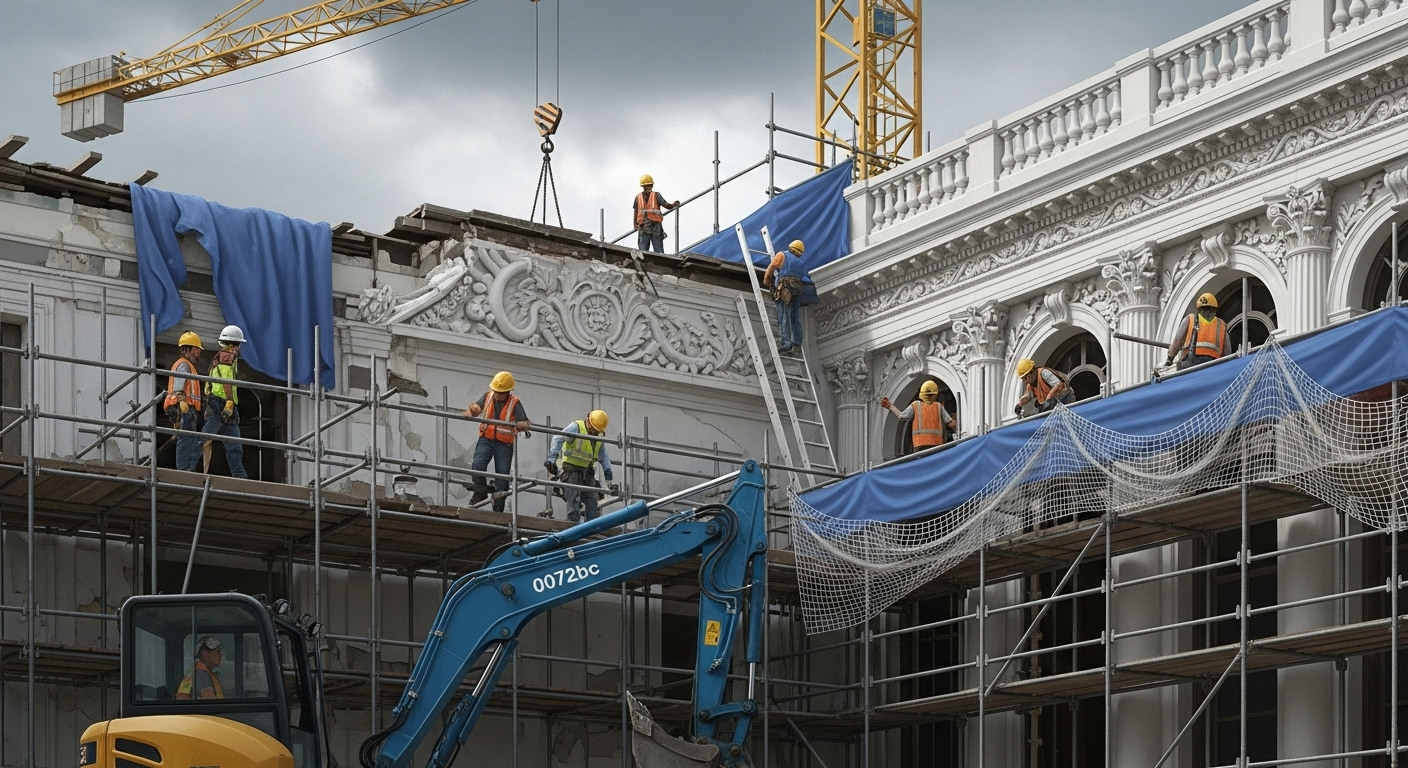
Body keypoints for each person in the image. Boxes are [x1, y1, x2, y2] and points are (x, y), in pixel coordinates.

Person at [463, 371, 530, 512]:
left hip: (504, 444)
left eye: (500, 392)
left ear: (508, 392)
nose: (497, 394)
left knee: (502, 477)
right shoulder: (488, 396)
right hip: (486, 438)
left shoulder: (514, 403)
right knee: (477, 466)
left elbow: (525, 423)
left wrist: (522, 425)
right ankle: (480, 491)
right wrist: (472, 410)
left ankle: (498, 510)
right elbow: (473, 412)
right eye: (496, 391)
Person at [544, 409, 614, 523]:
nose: (595, 433)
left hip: (587, 469)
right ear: (588, 421)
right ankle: (573, 523)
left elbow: (603, 455)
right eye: (594, 429)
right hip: (571, 468)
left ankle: (593, 524)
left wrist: (607, 471)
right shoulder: (576, 427)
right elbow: (558, 438)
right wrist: (552, 458)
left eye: (597, 431)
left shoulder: (598, 435)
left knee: (591, 499)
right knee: (573, 497)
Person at [201, 325, 248, 478]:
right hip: (219, 404)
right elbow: (226, 381)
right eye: (238, 345)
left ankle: (240, 477)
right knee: (204, 439)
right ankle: (188, 470)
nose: (238, 348)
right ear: (234, 345)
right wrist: (229, 401)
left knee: (234, 446)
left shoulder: (225, 357)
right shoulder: (226, 357)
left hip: (225, 405)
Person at [163, 331, 204, 472]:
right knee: (186, 441)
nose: (199, 353)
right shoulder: (183, 365)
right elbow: (178, 387)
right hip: (184, 408)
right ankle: (184, 470)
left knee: (189, 440)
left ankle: (187, 469)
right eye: (197, 349)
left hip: (185, 408)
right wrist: (181, 403)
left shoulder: (186, 365)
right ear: (189, 349)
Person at [880, 380, 957, 453]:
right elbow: (952, 424)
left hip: (920, 443)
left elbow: (902, 416)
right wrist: (958, 422)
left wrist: (890, 406)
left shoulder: (916, 405)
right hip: (936, 443)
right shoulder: (938, 406)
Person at [762, 239, 810, 352]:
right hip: (797, 290)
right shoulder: (801, 263)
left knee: (783, 314)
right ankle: (797, 341)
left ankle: (786, 342)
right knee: (794, 316)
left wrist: (767, 282)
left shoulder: (782, 255)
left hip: (784, 289)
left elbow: (771, 268)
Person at [1166, 292, 1231, 368]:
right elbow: (1227, 352)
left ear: (1199, 309)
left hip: (1191, 363)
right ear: (1214, 309)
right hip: (1213, 364)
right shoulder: (1221, 324)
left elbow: (1177, 342)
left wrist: (1169, 359)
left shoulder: (1190, 319)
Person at [633, 174, 679, 253]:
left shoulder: (656, 195)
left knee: (658, 251)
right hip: (643, 227)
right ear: (643, 187)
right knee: (643, 252)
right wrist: (635, 224)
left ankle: (660, 260)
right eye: (647, 186)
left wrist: (674, 204)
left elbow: (666, 205)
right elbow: (636, 211)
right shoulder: (638, 197)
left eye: (650, 185)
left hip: (655, 226)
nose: (648, 187)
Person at [176, 635, 224, 699]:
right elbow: (209, 701)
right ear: (204, 653)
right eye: (217, 652)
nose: (220, 656)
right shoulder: (201, 674)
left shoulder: (198, 671)